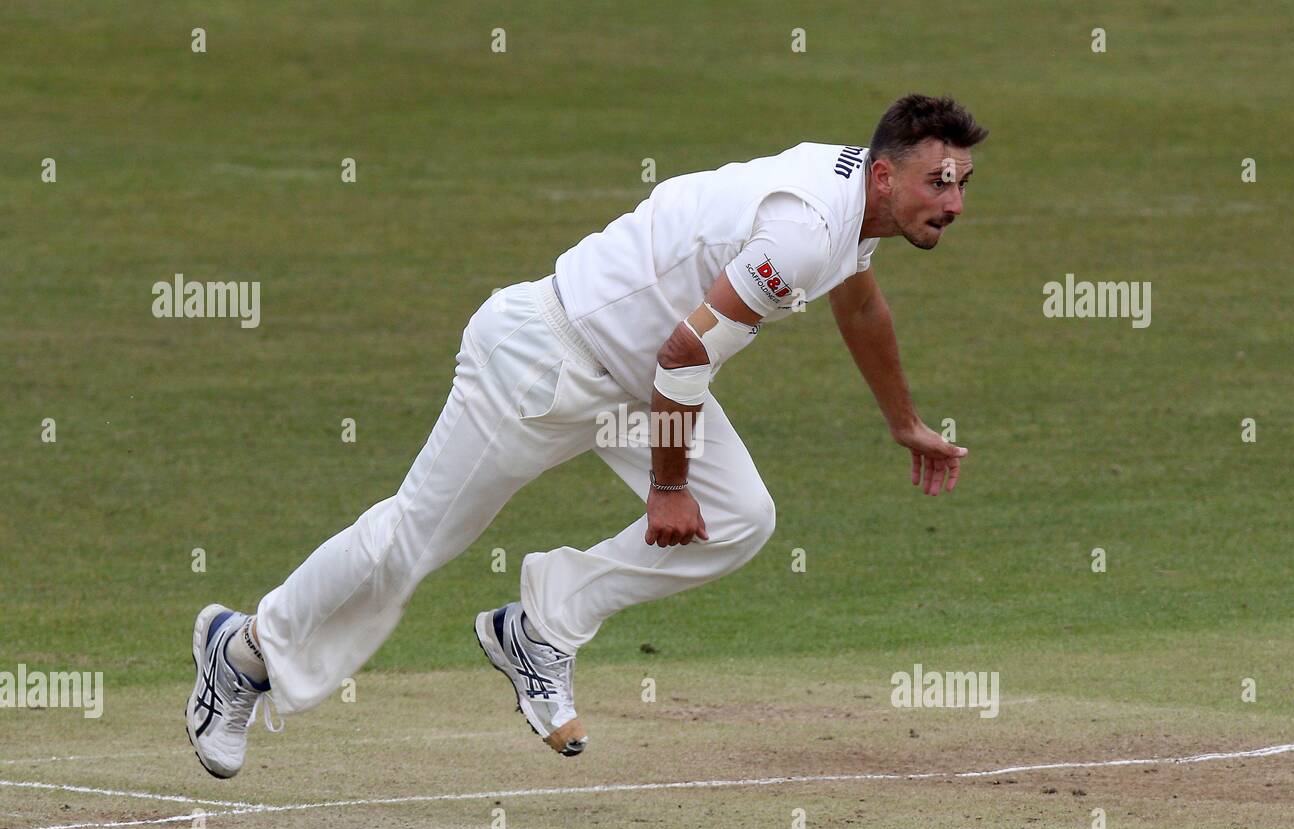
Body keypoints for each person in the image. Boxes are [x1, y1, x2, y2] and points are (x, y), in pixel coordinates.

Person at [186, 93, 987, 778]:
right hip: (544, 361)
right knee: (411, 544)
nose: (953, 204)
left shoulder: (855, 202)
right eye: (938, 184)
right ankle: (244, 650)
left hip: (637, 382)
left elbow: (860, 306)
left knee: (741, 516)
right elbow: (684, 355)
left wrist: (902, 421)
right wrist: (667, 489)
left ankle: (539, 628)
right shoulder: (805, 227)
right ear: (886, 173)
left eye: (961, 185)